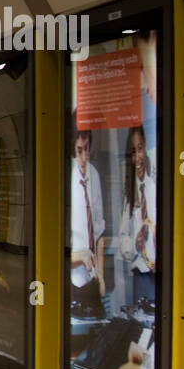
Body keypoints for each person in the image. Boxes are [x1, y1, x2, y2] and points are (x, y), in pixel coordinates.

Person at [117, 125, 156, 308]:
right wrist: (135, 243)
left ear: (146, 148)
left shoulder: (156, 188)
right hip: (142, 276)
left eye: (140, 149)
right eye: (133, 152)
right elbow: (122, 240)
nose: (138, 157)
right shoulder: (129, 198)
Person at [70, 128, 105, 315]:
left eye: (87, 149)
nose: (84, 157)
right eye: (79, 150)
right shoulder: (65, 177)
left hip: (93, 278)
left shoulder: (94, 175)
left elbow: (99, 229)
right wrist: (80, 256)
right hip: (73, 281)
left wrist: (101, 275)